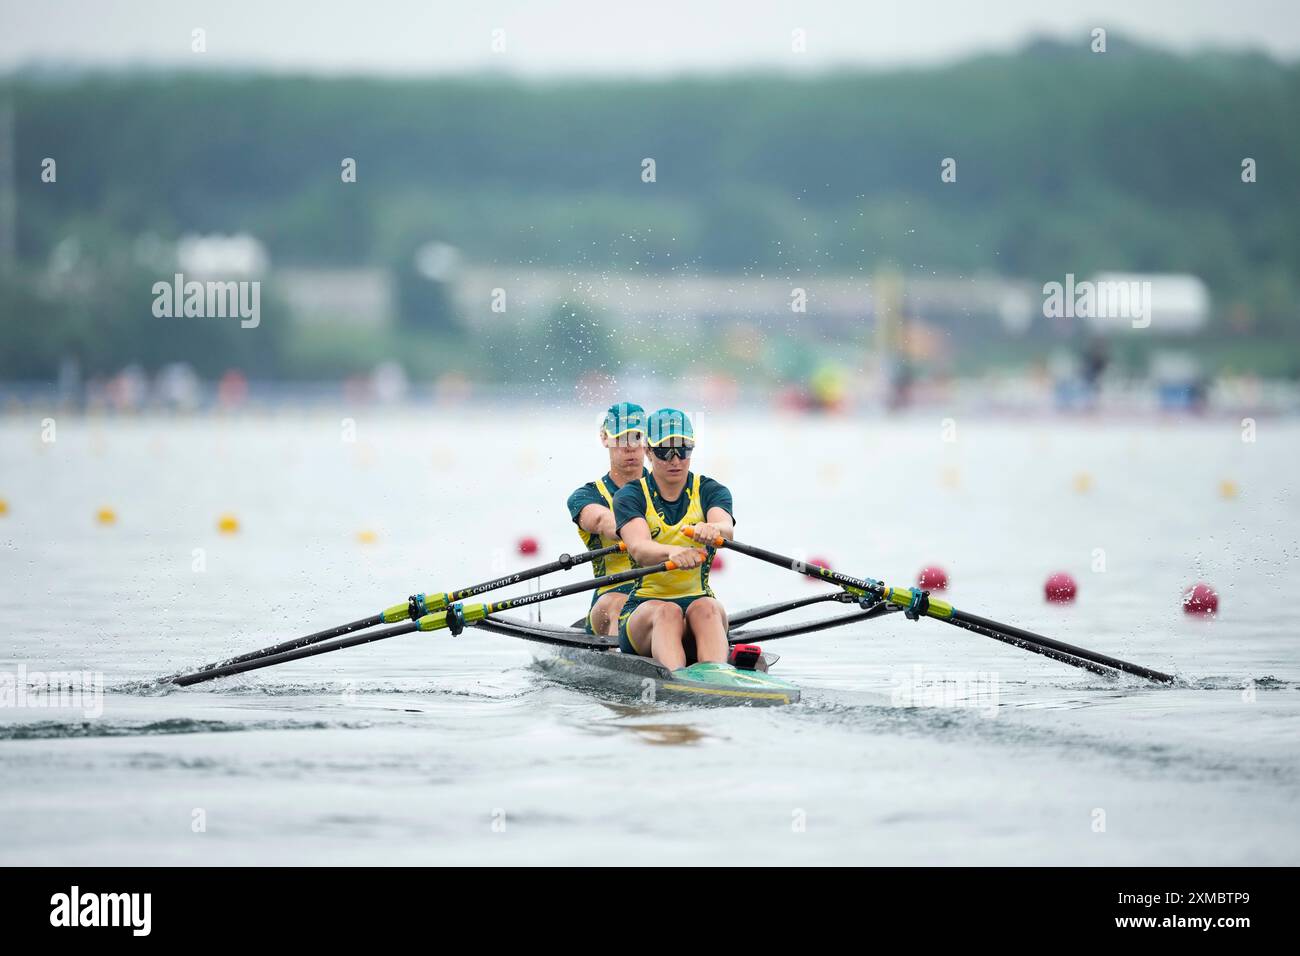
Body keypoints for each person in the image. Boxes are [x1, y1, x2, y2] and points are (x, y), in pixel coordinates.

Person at [612, 408, 733, 671]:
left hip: (699, 604)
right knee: (668, 612)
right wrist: (671, 553)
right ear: (648, 452)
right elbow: (639, 547)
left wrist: (713, 530)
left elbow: (726, 528)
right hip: (645, 609)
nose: (675, 459)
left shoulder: (711, 490)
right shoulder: (630, 496)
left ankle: (717, 679)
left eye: (683, 449)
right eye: (665, 451)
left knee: (708, 608)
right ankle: (675, 683)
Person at [565, 402, 649, 635]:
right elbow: (603, 521)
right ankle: (623, 661)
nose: (630, 448)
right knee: (619, 605)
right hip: (612, 597)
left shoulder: (669, 491)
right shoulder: (586, 496)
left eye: (636, 437)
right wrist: (637, 532)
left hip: (662, 594)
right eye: (621, 439)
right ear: (604, 438)